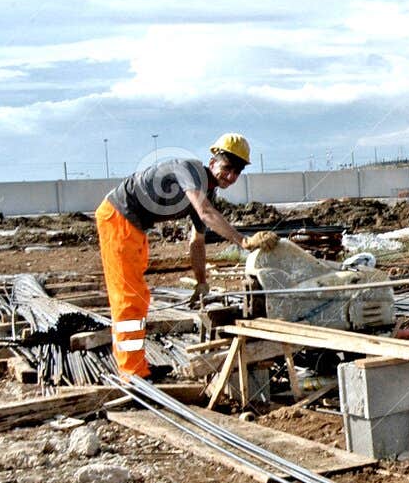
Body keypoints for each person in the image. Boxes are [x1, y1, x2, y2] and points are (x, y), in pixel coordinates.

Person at [94, 133, 280, 378]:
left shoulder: (207, 192)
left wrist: (201, 282)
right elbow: (205, 213)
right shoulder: (189, 171)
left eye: (237, 172)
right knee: (128, 299)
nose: (231, 176)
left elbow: (197, 242)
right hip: (118, 219)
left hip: (134, 226)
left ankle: (137, 366)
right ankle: (132, 373)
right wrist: (243, 240)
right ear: (212, 162)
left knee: (138, 298)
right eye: (227, 168)